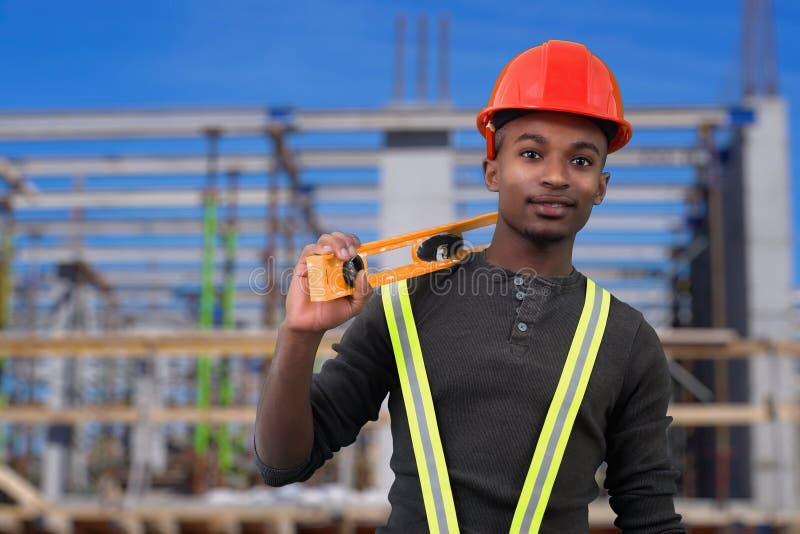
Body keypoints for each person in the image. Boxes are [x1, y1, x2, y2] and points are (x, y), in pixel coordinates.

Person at [255, 40, 684, 533]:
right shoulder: (409, 303)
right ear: (492, 172)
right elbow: (283, 463)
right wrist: (299, 336)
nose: (555, 176)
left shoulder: (625, 338)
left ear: (602, 187)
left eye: (581, 161)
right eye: (531, 153)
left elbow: (651, 516)